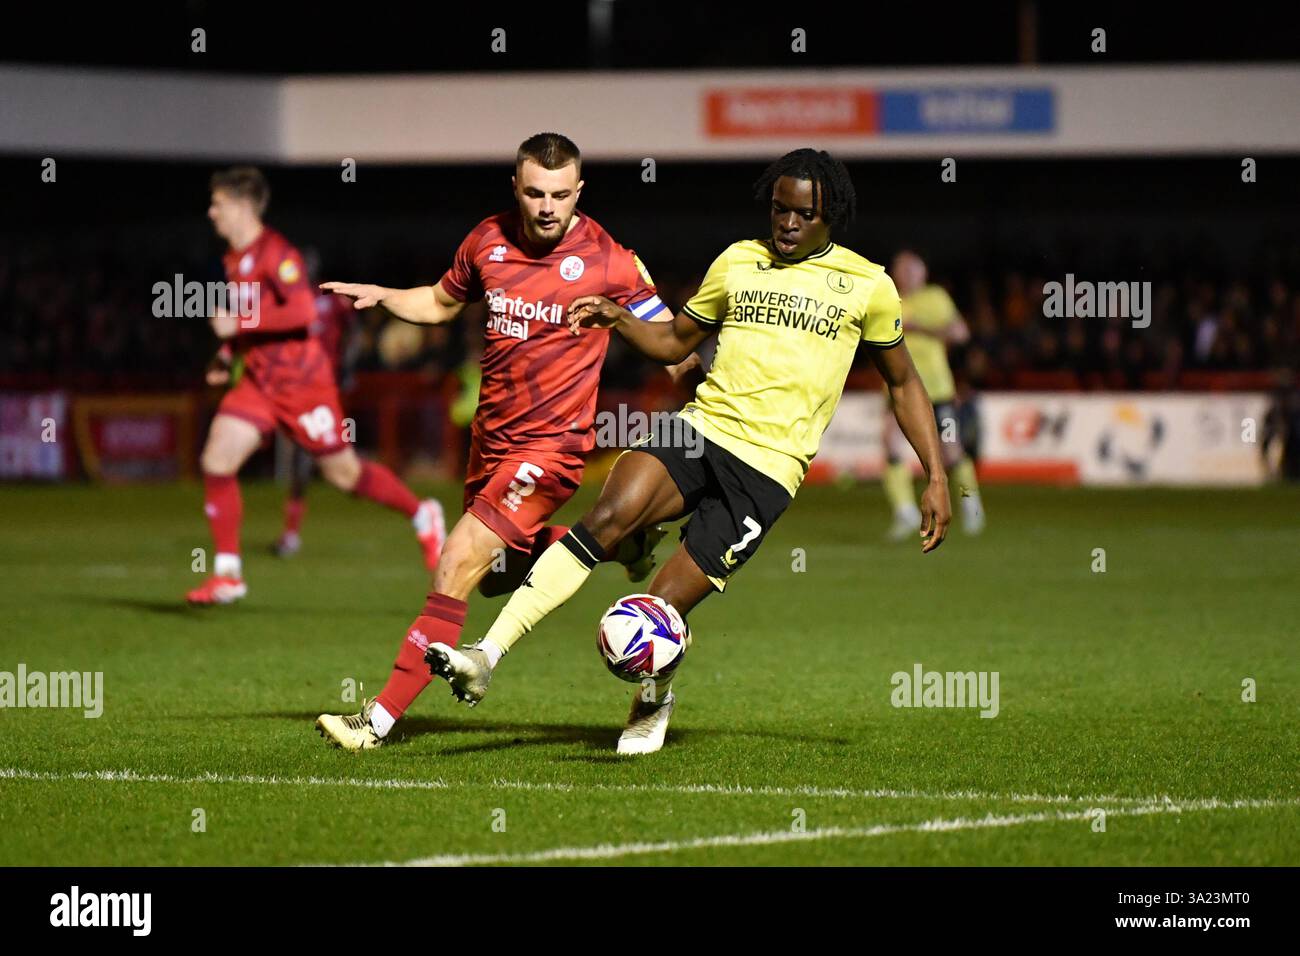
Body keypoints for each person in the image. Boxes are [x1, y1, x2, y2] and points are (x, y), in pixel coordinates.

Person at [426, 149, 952, 755]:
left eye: (803, 215)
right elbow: (674, 341)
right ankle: (486, 656)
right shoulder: (737, 261)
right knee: (602, 520)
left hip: (767, 470)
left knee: (660, 607)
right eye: (779, 209)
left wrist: (936, 475)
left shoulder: (868, 285)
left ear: (829, 213)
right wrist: (618, 317)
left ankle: (653, 700)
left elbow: (904, 383)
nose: (787, 224)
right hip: (700, 429)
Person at [315, 133, 672, 750]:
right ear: (516, 187)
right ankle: (621, 542)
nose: (547, 207)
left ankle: (376, 722)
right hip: (490, 446)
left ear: (579, 191)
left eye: (560, 194)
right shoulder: (487, 240)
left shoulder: (610, 260)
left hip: (551, 449)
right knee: (493, 575)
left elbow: (669, 338)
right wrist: (384, 297)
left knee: (455, 560)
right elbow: (438, 302)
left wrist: (708, 382)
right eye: (534, 193)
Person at [189, 167, 444, 606]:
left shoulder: (277, 254)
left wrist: (239, 323)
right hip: (259, 382)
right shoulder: (234, 259)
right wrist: (226, 355)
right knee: (216, 459)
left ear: (243, 206)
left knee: (343, 474)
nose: (212, 212)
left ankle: (422, 513)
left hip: (302, 385)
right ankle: (228, 574)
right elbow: (255, 322)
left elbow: (303, 311)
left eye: (218, 204)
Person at [881, 250, 985, 539]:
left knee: (950, 449)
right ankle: (905, 512)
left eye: (912, 269)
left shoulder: (936, 298)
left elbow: (961, 334)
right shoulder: (889, 299)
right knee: (890, 443)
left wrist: (920, 328)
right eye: (902, 269)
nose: (906, 275)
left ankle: (970, 503)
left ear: (923, 272)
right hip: (899, 389)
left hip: (937, 391)